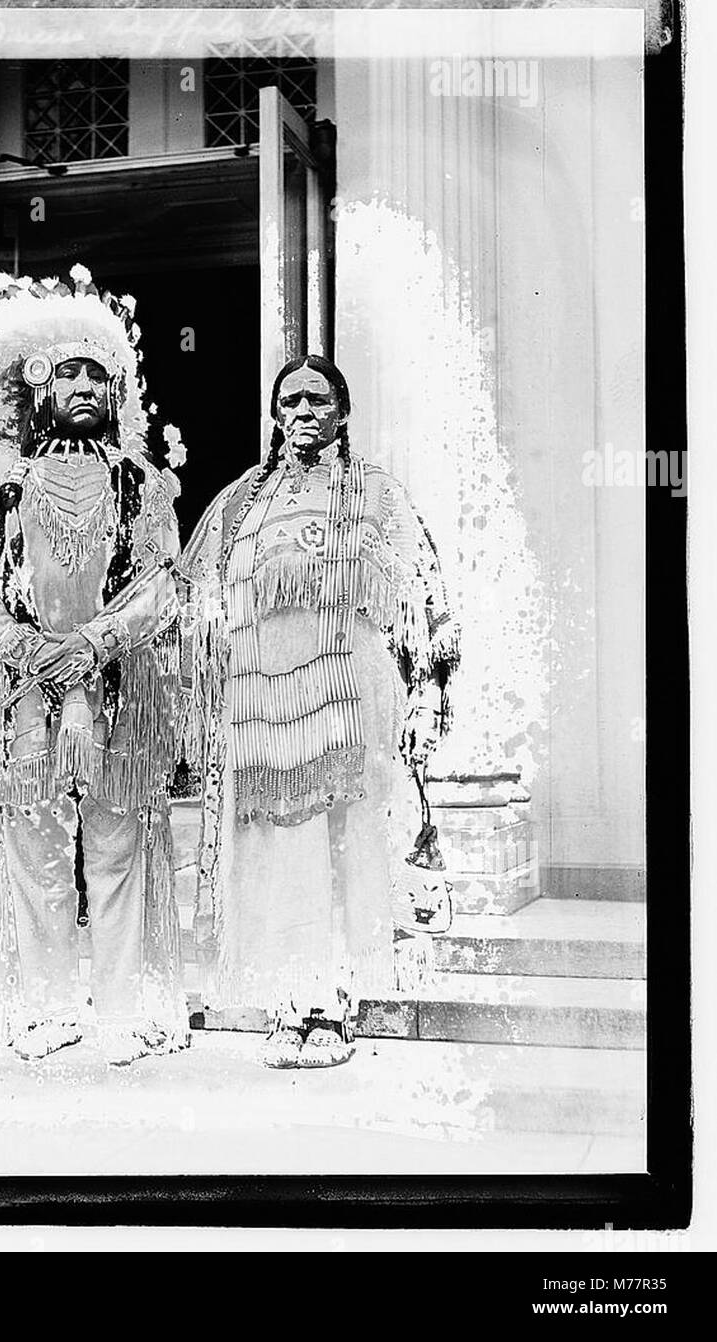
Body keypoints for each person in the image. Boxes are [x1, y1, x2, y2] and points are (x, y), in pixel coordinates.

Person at [42, 355, 459, 1069]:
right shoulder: (239, 502)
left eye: (316, 399)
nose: (301, 412)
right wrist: (100, 637)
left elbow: (428, 602)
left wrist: (428, 692)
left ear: (341, 412)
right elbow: (182, 590)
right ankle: (289, 1006)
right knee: (273, 856)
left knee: (335, 848)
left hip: (348, 699)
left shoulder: (376, 495)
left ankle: (332, 1008)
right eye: (288, 400)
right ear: (273, 414)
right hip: (257, 705)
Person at [0, 266, 188, 1066]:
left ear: (118, 393)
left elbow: (164, 582)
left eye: (99, 374)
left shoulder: (142, 484)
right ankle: (50, 1006)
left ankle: (125, 1008)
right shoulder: (1, 486)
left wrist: (91, 644)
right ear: (38, 390)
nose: (85, 385)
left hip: (119, 693)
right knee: (35, 847)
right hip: (25, 697)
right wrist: (33, 652)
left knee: (119, 847)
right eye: (68, 373)